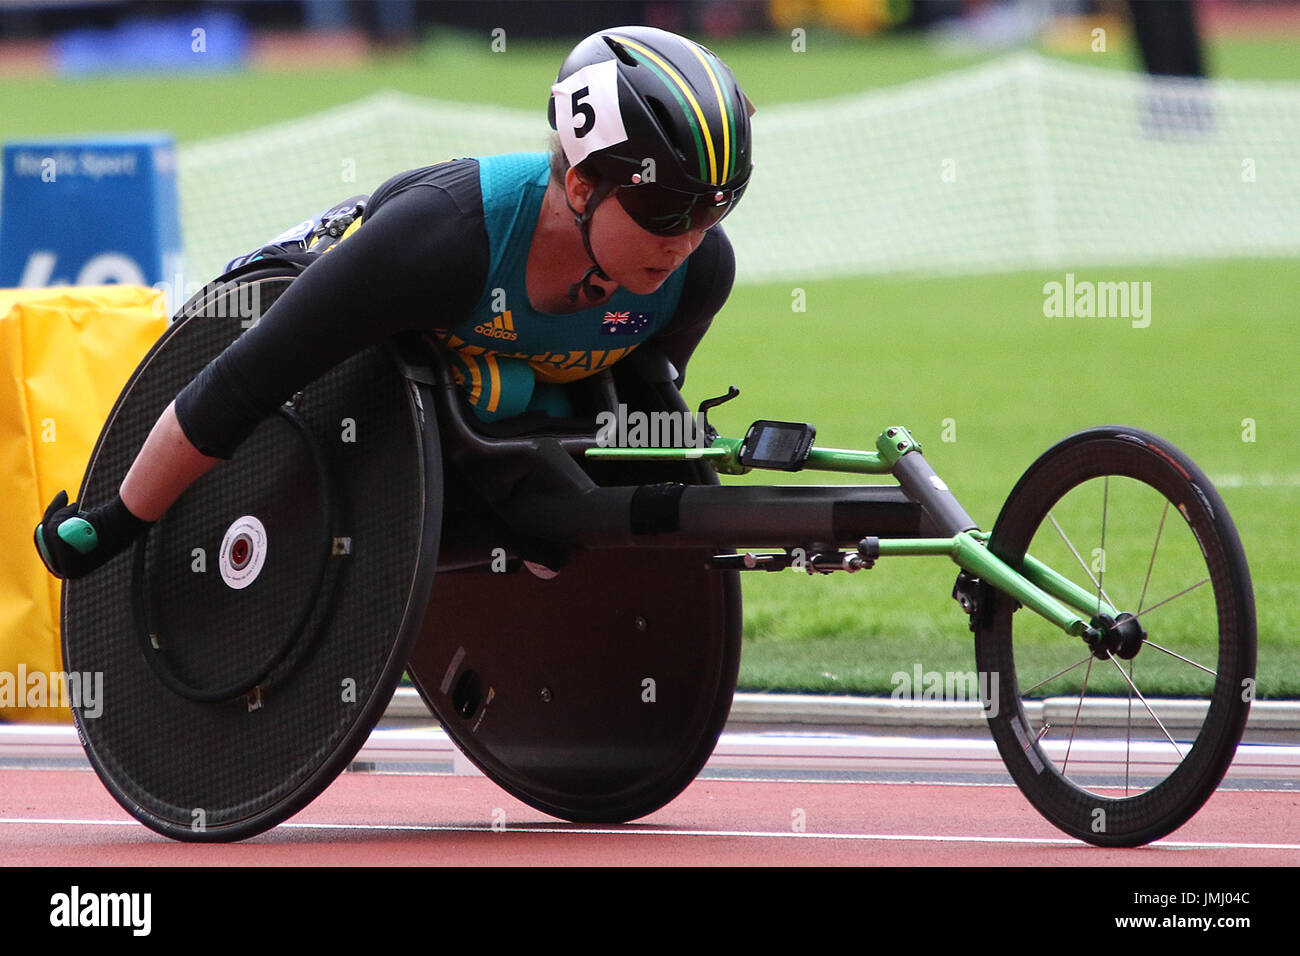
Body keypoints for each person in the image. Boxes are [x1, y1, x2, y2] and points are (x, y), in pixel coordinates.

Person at [34, 25, 754, 581]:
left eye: (714, 211)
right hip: (320, 348)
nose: (688, 241)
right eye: (666, 211)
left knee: (519, 427)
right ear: (580, 186)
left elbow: (630, 417)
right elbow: (243, 380)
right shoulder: (441, 242)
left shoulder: (698, 275)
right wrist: (119, 521)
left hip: (466, 419)